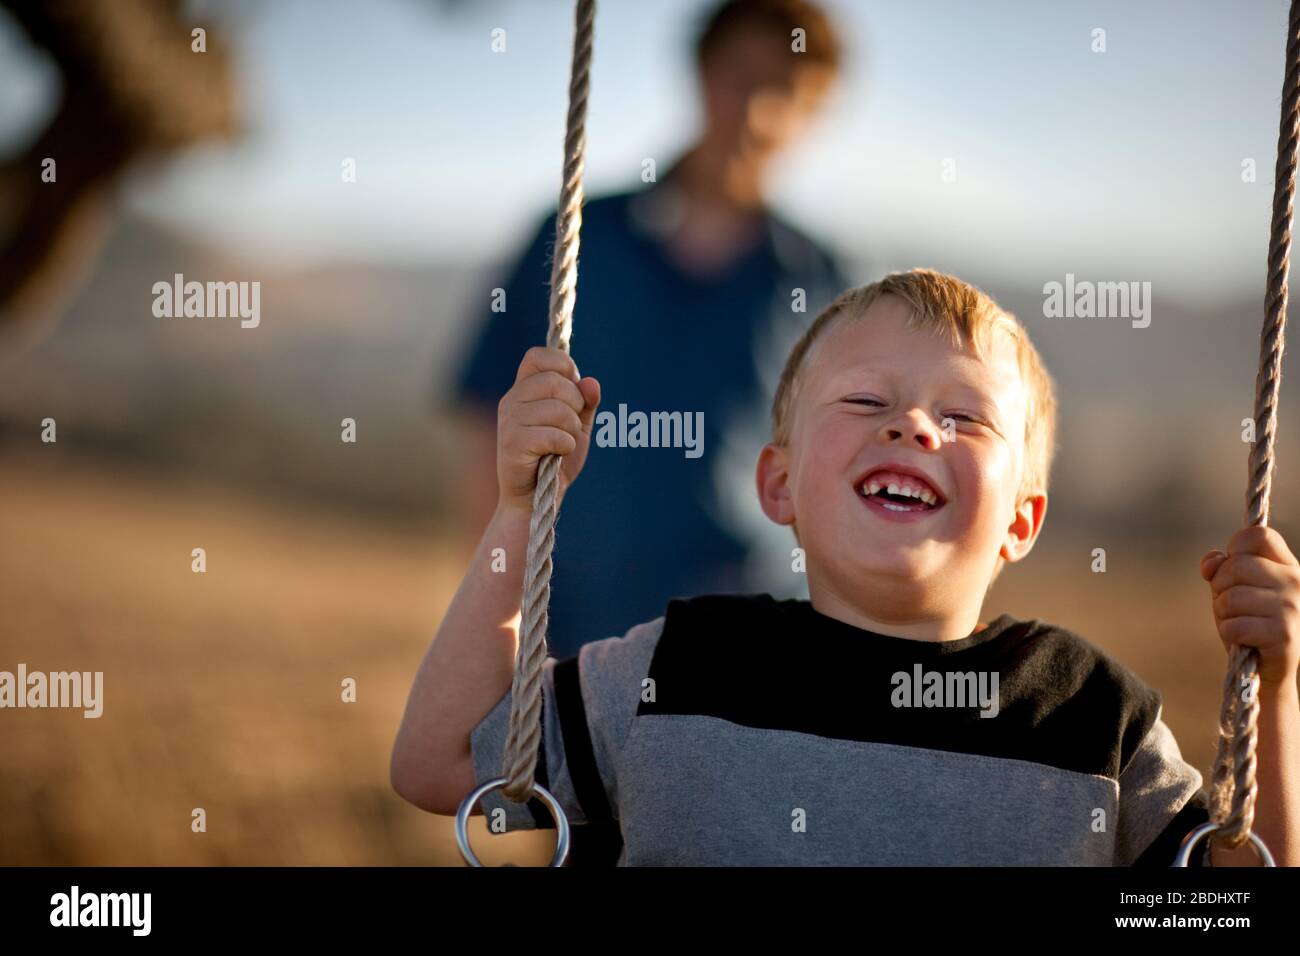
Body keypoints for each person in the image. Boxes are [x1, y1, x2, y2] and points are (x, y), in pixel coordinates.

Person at [393, 268, 1300, 865]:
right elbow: (437, 763)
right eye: (866, 400)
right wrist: (520, 510)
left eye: (967, 418)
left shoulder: (1091, 714)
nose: (911, 426)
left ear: (1022, 518)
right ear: (779, 483)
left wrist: (1278, 689)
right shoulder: (680, 666)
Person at [448, 0, 848, 664]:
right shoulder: (573, 236)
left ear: (814, 112)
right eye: (740, 78)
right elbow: (483, 421)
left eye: (783, 90)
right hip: (569, 636)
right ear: (699, 73)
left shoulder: (826, 280)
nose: (755, 112)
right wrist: (496, 611)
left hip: (756, 651)